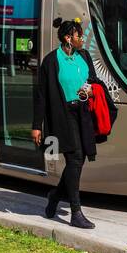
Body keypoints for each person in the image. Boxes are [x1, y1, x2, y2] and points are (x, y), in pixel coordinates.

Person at [31, 17, 104, 230]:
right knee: (75, 158)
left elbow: (93, 80)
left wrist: (90, 88)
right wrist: (37, 125)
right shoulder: (51, 61)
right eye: (78, 36)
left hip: (83, 113)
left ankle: (55, 196)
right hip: (63, 114)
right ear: (67, 38)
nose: (82, 39)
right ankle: (75, 212)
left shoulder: (84, 56)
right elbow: (42, 95)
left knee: (78, 161)